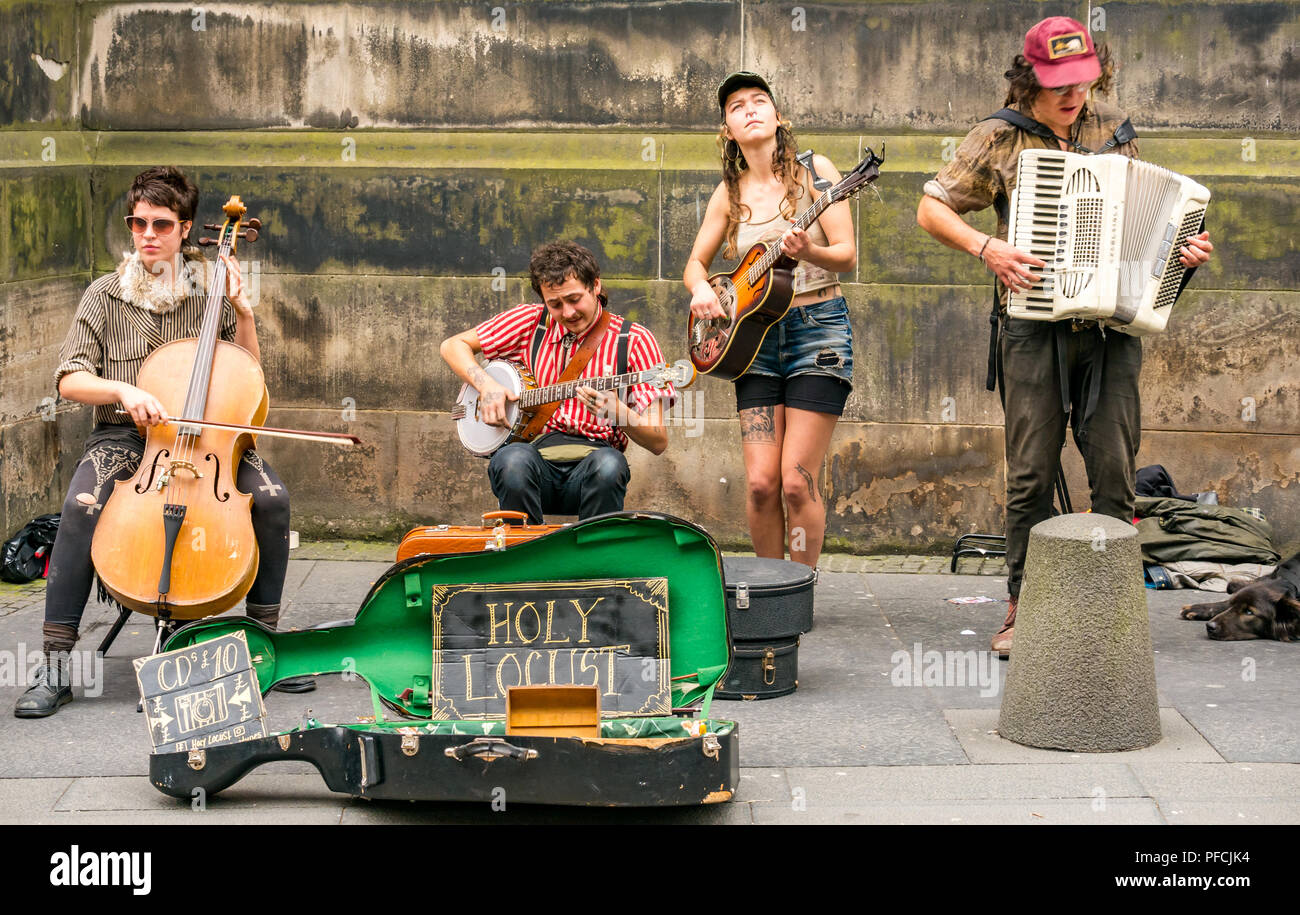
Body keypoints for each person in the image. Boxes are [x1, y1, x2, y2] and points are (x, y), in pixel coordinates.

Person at [916, 17, 1214, 657]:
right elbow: (930, 206)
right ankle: (1025, 606)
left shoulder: (1112, 131)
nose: (1073, 95)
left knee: (1113, 470)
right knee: (1030, 474)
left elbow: (1143, 231)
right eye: (1059, 84)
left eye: (1082, 81)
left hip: (1109, 330)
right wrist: (987, 246)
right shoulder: (998, 137)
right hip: (1031, 328)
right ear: (1030, 79)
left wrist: (1179, 256)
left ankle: (1107, 613)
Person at [14, 166, 305, 718]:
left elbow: (249, 377)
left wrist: (242, 310)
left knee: (271, 499)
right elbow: (69, 378)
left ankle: (270, 648)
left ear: (187, 229)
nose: (147, 234)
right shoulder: (103, 295)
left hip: (212, 436)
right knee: (81, 504)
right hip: (127, 436)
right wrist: (123, 390)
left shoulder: (209, 289)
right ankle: (54, 665)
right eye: (138, 222)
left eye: (161, 224)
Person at [683, 72, 857, 568]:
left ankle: (797, 590)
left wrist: (811, 251)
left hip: (817, 331)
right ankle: (769, 589)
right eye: (737, 106)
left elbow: (846, 255)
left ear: (778, 117)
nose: (750, 109)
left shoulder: (815, 172)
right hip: (753, 341)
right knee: (761, 485)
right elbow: (694, 265)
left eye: (760, 101)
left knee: (796, 481)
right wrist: (701, 290)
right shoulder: (729, 193)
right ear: (727, 130)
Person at [440, 241, 674, 522]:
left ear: (595, 286)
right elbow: (453, 346)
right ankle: (525, 556)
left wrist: (619, 413)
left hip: (595, 464)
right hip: (533, 459)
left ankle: (593, 557)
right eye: (555, 304)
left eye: (574, 299)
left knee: (610, 465)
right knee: (511, 460)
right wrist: (486, 386)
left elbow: (658, 441)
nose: (567, 313)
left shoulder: (635, 341)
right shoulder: (529, 322)